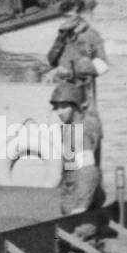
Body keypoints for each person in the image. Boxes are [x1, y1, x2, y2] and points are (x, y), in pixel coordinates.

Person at [50, 78, 103, 236]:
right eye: (57, 108)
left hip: (81, 207)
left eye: (64, 107)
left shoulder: (81, 131)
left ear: (75, 107)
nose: (60, 112)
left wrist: (79, 209)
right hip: (71, 194)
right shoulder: (70, 128)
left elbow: (89, 172)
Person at [47, 0, 107, 108]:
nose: (65, 21)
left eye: (69, 16)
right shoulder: (62, 36)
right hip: (63, 94)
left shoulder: (90, 35)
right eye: (63, 17)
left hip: (83, 93)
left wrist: (72, 71)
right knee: (66, 124)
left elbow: (102, 64)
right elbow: (52, 60)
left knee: (83, 123)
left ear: (79, 15)